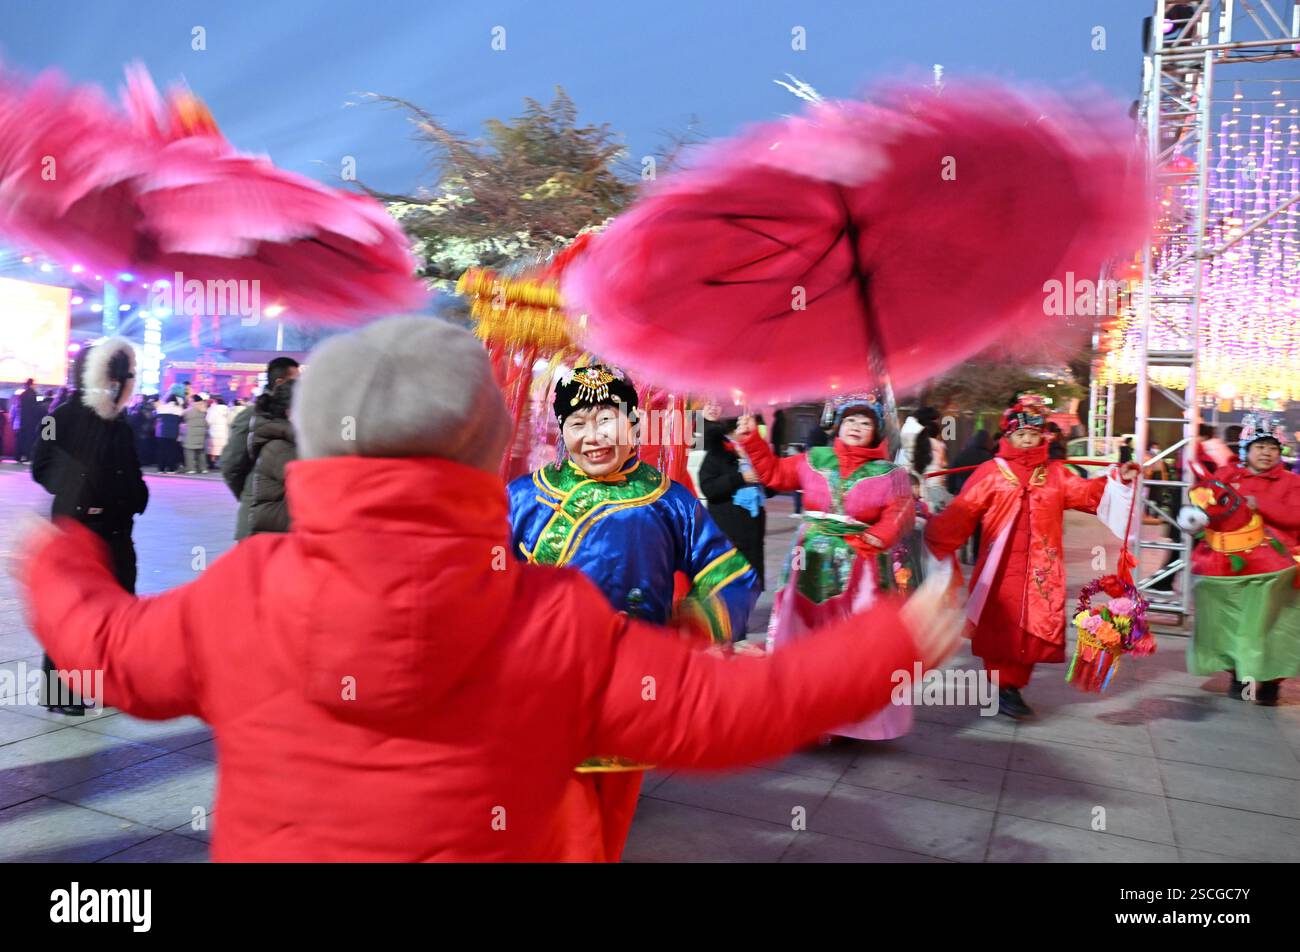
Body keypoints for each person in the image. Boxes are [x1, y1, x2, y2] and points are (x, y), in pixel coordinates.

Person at [12, 316, 962, 862]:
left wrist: (58, 561)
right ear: (489, 442)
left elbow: (111, 652)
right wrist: (885, 646)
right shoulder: (551, 619)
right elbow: (727, 709)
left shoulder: (245, 590)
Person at [508, 363, 760, 862]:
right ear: (560, 431)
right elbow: (478, 577)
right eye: (577, 423)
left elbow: (728, 573)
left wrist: (688, 631)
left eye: (607, 419)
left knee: (611, 817)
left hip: (632, 685)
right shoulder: (523, 497)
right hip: (541, 686)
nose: (593, 436)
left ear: (635, 425)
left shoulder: (670, 501)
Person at [924, 394, 1139, 719]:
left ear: (1043, 436)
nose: (1027, 439)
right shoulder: (991, 472)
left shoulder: (1055, 474)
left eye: (1033, 434)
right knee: (1000, 626)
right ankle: (1004, 687)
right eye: (1020, 433)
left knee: (1035, 628)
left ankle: (1012, 685)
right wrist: (936, 533)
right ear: (1008, 436)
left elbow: (1085, 493)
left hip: (1042, 569)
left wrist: (1119, 479)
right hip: (1001, 568)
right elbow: (964, 511)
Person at [737, 393, 916, 740]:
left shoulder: (889, 473)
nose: (856, 427)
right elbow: (774, 474)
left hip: (861, 571)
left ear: (876, 431)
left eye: (865, 423)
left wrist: (873, 539)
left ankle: (848, 715)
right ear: (838, 424)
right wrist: (751, 439)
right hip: (809, 566)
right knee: (806, 637)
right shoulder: (813, 459)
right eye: (850, 420)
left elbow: (902, 511)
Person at [30, 337, 148, 715]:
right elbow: (41, 465)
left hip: (117, 530)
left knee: (117, 604)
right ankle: (59, 692)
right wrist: (76, 494)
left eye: (124, 377)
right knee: (71, 610)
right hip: (76, 529)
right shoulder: (59, 416)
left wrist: (136, 496)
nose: (119, 384)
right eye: (113, 376)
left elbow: (130, 470)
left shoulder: (122, 424)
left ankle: (103, 681)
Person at [1181, 435, 1300, 706]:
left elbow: (1296, 516)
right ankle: (1238, 673)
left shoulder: (1293, 482)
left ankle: (1268, 682)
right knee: (1228, 621)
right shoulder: (1229, 476)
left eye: (1272, 448)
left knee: (1271, 625)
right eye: (1260, 447)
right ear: (1247, 451)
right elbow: (1205, 498)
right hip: (1229, 565)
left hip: (1275, 568)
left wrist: (1260, 505)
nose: (1266, 453)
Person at [221, 357, 299, 540]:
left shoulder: (295, 417)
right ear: (280, 382)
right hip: (257, 521)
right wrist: (251, 495)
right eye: (296, 380)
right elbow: (231, 465)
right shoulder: (251, 416)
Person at [698, 400, 771, 594]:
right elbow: (709, 487)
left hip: (752, 531)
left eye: (750, 423)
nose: (746, 428)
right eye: (741, 424)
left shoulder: (759, 453)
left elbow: (773, 487)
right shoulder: (717, 453)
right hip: (726, 529)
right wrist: (741, 477)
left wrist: (764, 476)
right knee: (726, 585)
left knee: (749, 584)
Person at [247, 380, 297, 535]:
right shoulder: (282, 448)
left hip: (278, 528)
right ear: (290, 412)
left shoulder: (285, 440)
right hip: (279, 533)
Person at [946, 429, 995, 565]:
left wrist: (952, 489)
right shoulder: (989, 458)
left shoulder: (962, 455)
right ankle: (975, 556)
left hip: (963, 496)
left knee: (963, 525)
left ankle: (962, 550)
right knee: (979, 529)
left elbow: (951, 475)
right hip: (982, 499)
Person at [153, 394, 183, 473]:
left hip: (161, 432)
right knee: (172, 450)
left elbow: (156, 416)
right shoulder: (179, 409)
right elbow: (180, 420)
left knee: (161, 450)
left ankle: (161, 468)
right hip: (173, 432)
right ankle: (171, 468)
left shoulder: (161, 407)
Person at [182, 394, 209, 473]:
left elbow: (183, 416)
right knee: (201, 451)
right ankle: (203, 468)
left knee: (189, 451)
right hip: (201, 433)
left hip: (191, 433)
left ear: (193, 401)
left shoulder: (190, 410)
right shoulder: (204, 409)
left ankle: (191, 468)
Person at [16, 378, 40, 463]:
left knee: (22, 438)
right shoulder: (33, 393)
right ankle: (27, 456)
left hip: (23, 419)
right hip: (31, 420)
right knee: (29, 439)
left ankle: (19, 456)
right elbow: (34, 408)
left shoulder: (23, 394)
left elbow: (20, 407)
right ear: (31, 384)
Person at [206, 396, 230, 468]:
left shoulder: (213, 409)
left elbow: (208, 421)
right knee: (222, 448)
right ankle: (222, 464)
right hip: (224, 431)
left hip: (214, 431)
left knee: (213, 449)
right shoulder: (227, 409)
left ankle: (212, 464)